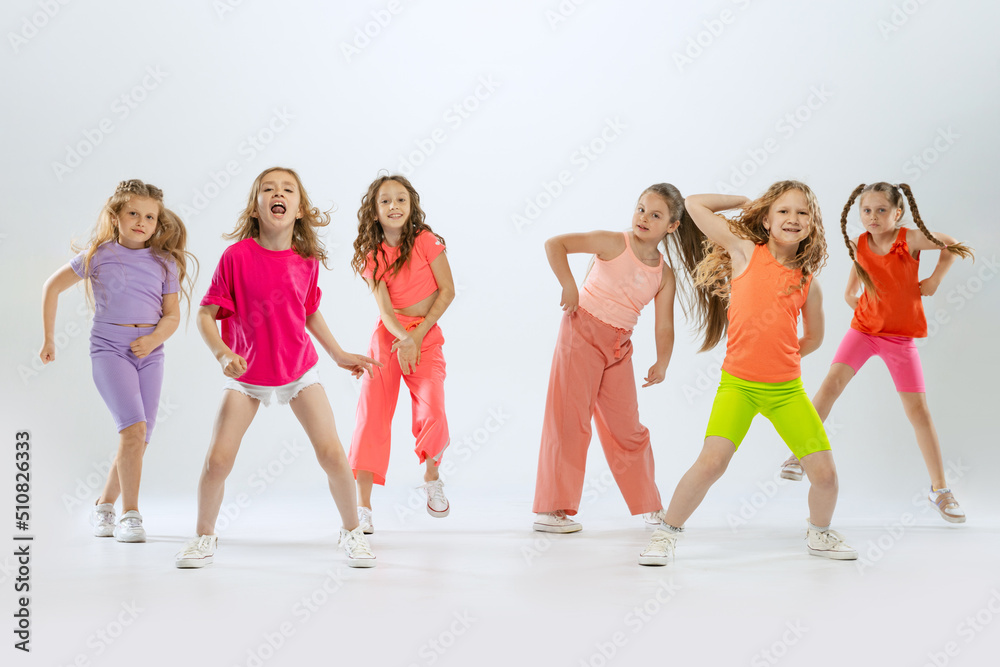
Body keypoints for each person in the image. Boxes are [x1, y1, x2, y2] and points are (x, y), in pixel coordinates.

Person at [640, 181, 857, 566]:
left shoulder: (808, 282)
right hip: (737, 387)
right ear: (768, 219)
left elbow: (815, 338)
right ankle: (666, 533)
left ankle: (820, 533)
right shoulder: (744, 252)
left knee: (825, 475)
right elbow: (694, 204)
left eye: (802, 212)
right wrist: (746, 201)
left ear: (813, 224)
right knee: (711, 463)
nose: (793, 218)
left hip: (786, 391)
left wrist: (783, 355)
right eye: (783, 211)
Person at [174, 167, 378, 568]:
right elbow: (204, 315)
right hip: (246, 375)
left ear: (300, 209)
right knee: (218, 460)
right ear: (257, 205)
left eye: (287, 189)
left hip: (299, 370)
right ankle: (203, 537)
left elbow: (309, 312)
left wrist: (337, 354)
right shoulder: (237, 256)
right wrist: (222, 353)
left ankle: (352, 532)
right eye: (268, 189)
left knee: (334, 455)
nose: (277, 193)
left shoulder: (306, 261)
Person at [778, 182, 974, 523]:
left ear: (897, 213)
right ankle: (798, 452)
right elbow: (857, 275)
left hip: (900, 339)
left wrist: (935, 280)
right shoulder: (860, 243)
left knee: (918, 411)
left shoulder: (910, 240)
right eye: (866, 211)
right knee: (831, 385)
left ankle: (939, 489)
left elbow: (952, 244)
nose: (873, 217)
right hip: (864, 331)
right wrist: (850, 293)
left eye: (881, 210)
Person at [532, 183, 714, 533]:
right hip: (580, 333)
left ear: (672, 227)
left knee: (628, 430)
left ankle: (649, 505)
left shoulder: (664, 274)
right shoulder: (614, 242)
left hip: (618, 347)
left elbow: (664, 324)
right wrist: (568, 284)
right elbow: (555, 244)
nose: (644, 218)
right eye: (641, 208)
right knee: (570, 421)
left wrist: (663, 361)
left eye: (656, 215)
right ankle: (552, 509)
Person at [40, 179, 195, 542]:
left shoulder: (164, 262)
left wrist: (154, 339)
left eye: (150, 217)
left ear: (158, 222)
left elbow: (171, 315)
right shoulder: (100, 255)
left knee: (138, 438)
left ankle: (104, 506)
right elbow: (51, 287)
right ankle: (130, 514)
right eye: (133, 213)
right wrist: (49, 338)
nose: (142, 222)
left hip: (150, 353)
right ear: (116, 215)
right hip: (110, 350)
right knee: (133, 431)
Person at [348, 175, 455, 534]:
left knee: (433, 410)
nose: (393, 206)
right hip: (388, 340)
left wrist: (417, 336)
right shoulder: (373, 255)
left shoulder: (426, 241)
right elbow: (386, 313)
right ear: (375, 212)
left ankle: (432, 475)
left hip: (424, 336)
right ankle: (362, 507)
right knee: (372, 417)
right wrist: (401, 339)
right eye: (385, 202)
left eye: (400, 200)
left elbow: (448, 291)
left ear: (411, 207)